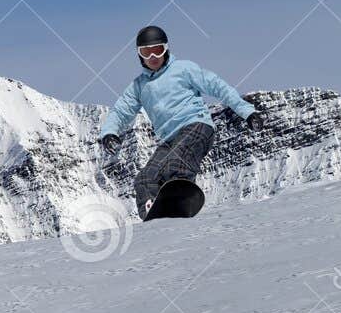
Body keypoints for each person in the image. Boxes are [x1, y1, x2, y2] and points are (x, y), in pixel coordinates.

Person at [98, 25, 263, 216]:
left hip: (196, 126)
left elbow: (219, 87)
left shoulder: (183, 69)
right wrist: (109, 132)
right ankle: (153, 217)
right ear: (139, 55)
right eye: (146, 52)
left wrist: (247, 112)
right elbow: (120, 111)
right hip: (169, 139)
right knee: (144, 180)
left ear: (166, 49)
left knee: (174, 165)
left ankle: (180, 199)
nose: (153, 58)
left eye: (157, 51)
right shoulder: (139, 86)